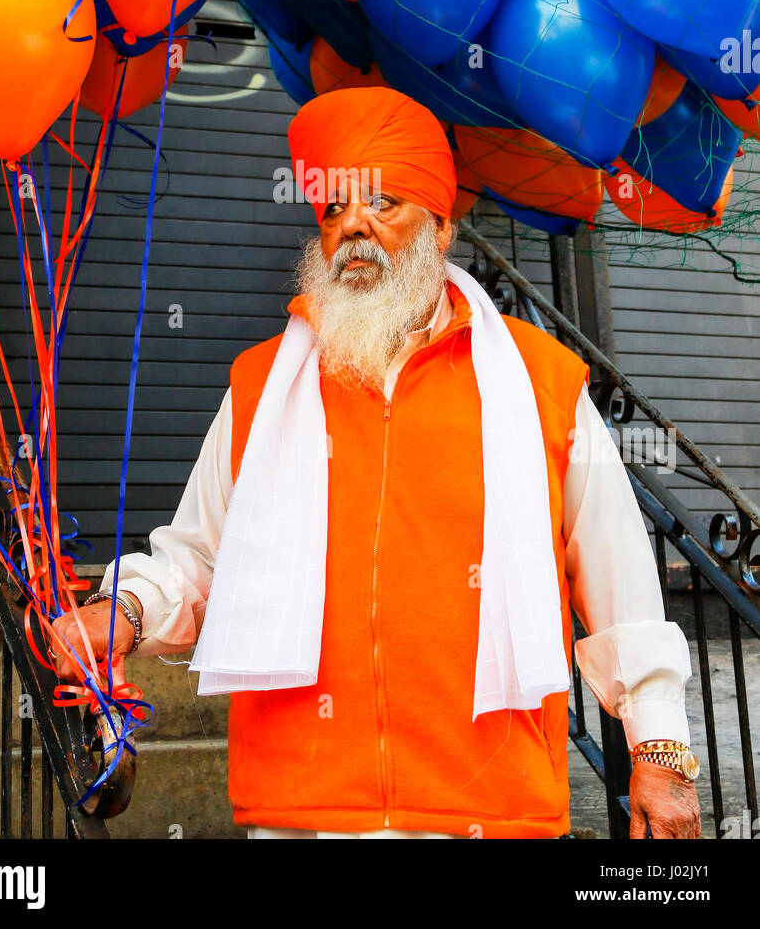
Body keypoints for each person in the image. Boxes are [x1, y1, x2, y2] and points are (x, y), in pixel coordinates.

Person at [53, 85, 701, 839]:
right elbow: (196, 559)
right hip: (304, 809)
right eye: (334, 209)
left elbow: (622, 582)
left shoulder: (539, 381)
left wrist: (660, 749)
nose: (354, 224)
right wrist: (125, 610)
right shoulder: (263, 385)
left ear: (442, 225)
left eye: (384, 201)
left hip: (490, 809)